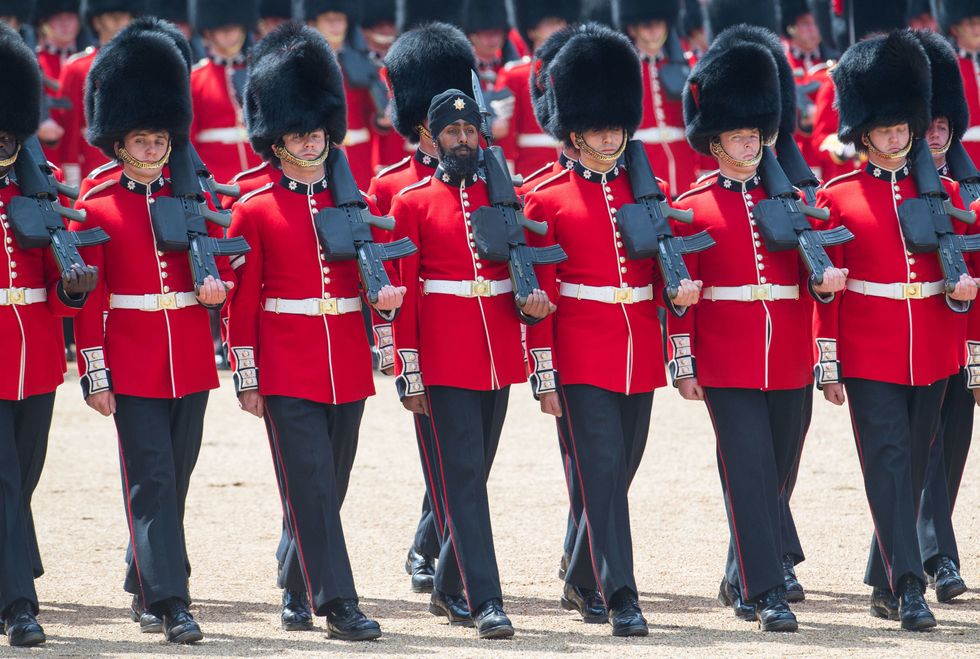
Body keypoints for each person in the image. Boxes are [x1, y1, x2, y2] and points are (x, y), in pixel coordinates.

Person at [524, 22, 700, 636]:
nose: (610, 136)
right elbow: (538, 297)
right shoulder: (543, 199)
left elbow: (667, 272)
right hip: (579, 349)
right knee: (599, 470)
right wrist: (543, 372)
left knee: (621, 468)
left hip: (637, 349)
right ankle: (619, 591)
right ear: (574, 132)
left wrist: (677, 302)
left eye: (616, 126)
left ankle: (579, 573)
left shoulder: (647, 191)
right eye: (599, 128)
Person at [670, 26, 847, 633]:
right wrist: (684, 362)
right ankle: (766, 590)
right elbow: (682, 295)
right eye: (740, 136)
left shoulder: (796, 199)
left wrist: (825, 295)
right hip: (728, 357)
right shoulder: (692, 206)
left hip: (791, 352)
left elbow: (814, 278)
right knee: (747, 468)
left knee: (779, 473)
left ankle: (739, 571)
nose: (751, 145)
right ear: (715, 143)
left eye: (757, 135)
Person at [229, 22, 401, 640]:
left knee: (330, 482)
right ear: (277, 142)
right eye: (302, 134)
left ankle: (295, 584)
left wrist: (383, 313)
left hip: (346, 358)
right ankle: (337, 604)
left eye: (320, 132)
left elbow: (369, 285)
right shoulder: (253, 208)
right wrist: (247, 375)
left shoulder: (349, 203)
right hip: (285, 362)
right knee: (312, 482)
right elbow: (242, 304)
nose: (314, 142)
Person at [73, 22, 233, 643]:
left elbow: (227, 263)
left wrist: (219, 287)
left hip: (190, 356)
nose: (152, 150)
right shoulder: (98, 204)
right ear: (119, 143)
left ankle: (145, 574)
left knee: (178, 475)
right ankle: (171, 600)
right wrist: (94, 371)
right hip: (133, 358)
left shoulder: (193, 196)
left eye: (160, 138)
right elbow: (93, 301)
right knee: (153, 478)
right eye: (141, 140)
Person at [815, 29, 977, 631]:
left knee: (912, 464)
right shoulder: (837, 198)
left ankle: (885, 580)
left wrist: (965, 295)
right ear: (863, 132)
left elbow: (965, 268)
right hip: (868, 349)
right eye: (883, 129)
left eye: (901, 126)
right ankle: (909, 586)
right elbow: (826, 288)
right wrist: (827, 361)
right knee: (886, 459)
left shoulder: (950, 192)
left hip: (932, 346)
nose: (895, 136)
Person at [389, 88, 555, 638]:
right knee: (463, 480)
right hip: (443, 357)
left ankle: (446, 585)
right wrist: (407, 371)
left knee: (473, 476)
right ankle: (484, 598)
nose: (464, 140)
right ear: (430, 140)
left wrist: (532, 314)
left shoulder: (508, 194)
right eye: (452, 133)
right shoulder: (411, 202)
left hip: (496, 353)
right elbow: (406, 294)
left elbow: (522, 275)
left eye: (470, 131)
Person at [366, 20, 476, 595]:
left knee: (465, 460)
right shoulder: (391, 188)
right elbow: (385, 277)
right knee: (440, 452)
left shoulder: (484, 176)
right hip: (423, 336)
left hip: (474, 339)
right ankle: (434, 547)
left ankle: (431, 543)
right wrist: (392, 353)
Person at [0, 22, 97, 647]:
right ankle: (18, 606)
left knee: (24, 475)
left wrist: (72, 288)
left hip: (34, 357)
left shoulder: (36, 186)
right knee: (5, 479)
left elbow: (53, 289)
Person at [912, 27, 974, 605]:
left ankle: (905, 547)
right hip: (913, 343)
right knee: (922, 449)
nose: (935, 137)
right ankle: (939, 556)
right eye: (926, 127)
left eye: (943, 129)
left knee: (952, 448)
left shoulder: (964, 189)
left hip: (960, 343)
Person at [614, 0, 700, 196]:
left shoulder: (688, 65)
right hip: (642, 167)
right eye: (646, 25)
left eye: (659, 24)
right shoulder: (622, 69)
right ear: (632, 29)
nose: (654, 31)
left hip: (685, 169)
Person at [493, 0, 579, 178]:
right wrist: (507, 183)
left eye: (559, 22)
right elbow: (506, 140)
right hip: (531, 173)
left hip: (572, 171)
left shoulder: (575, 70)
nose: (557, 29)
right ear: (531, 30)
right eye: (549, 23)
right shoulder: (514, 75)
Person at [57, 0, 135, 187]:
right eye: (112, 16)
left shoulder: (142, 63)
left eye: (124, 15)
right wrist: (72, 178)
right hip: (91, 163)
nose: (119, 21)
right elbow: (70, 127)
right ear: (97, 22)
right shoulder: (76, 68)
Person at [188, 0, 263, 187]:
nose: (229, 35)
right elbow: (189, 142)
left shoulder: (260, 74)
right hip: (216, 183)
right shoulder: (194, 80)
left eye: (234, 28)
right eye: (222, 29)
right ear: (208, 32)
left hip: (259, 180)